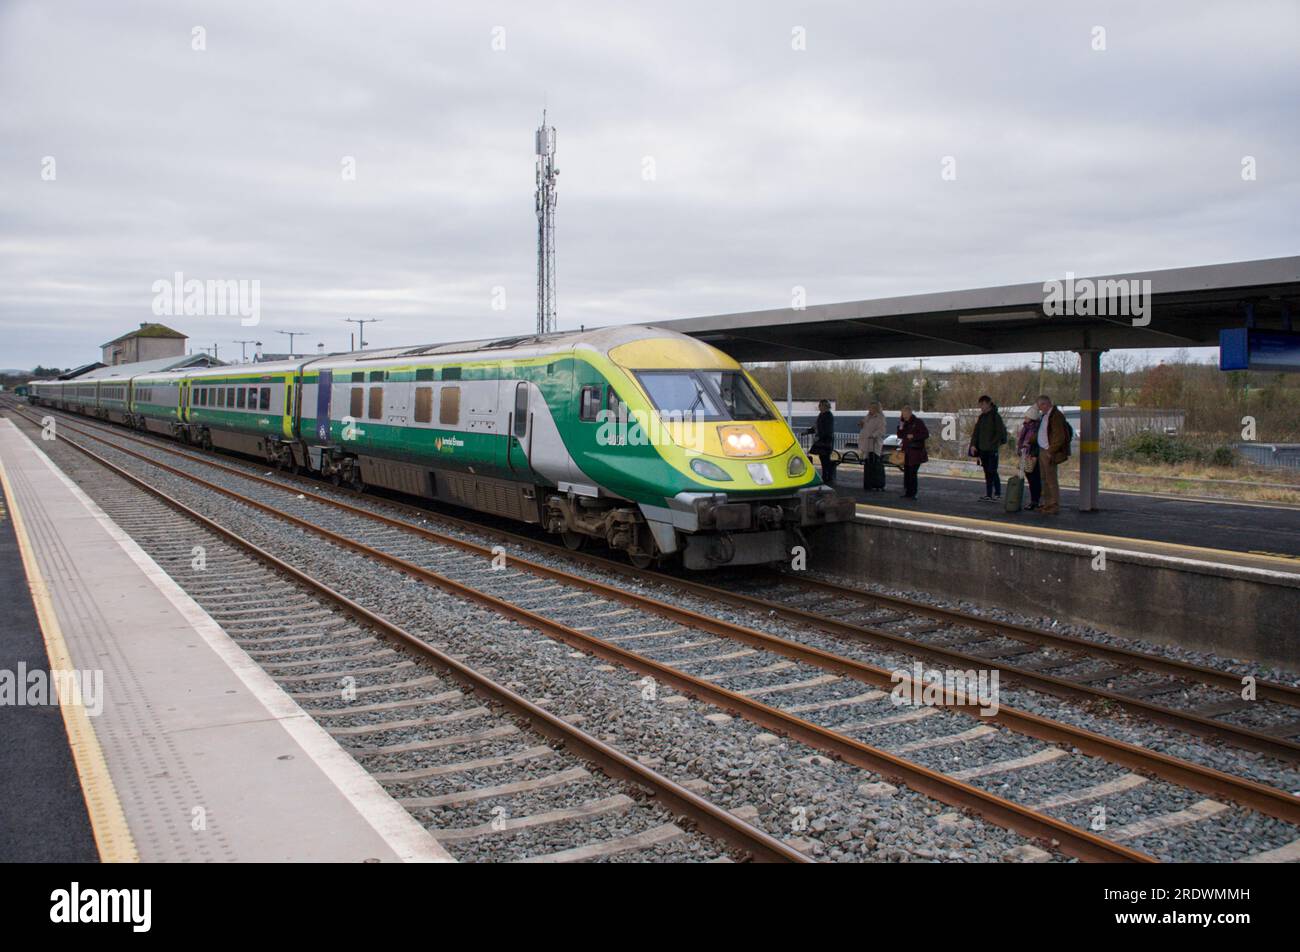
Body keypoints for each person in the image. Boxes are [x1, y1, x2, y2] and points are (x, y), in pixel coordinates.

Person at [1034, 394, 1071, 515]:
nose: (1040, 409)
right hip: (1043, 450)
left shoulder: (1056, 416)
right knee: (1044, 479)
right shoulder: (1045, 416)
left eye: (1040, 406)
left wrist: (1051, 451)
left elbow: (1059, 436)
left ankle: (1053, 505)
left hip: (1048, 452)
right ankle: (1047, 504)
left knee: (1051, 480)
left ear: (1045, 404)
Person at [968, 395, 1008, 501]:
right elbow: (976, 432)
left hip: (992, 450)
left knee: (992, 471)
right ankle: (989, 494)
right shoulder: (982, 417)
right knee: (987, 472)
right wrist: (973, 445)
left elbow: (1001, 433)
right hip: (982, 450)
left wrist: (993, 444)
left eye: (982, 405)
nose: (981, 407)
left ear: (987, 403)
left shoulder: (995, 417)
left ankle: (997, 493)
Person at [896, 404, 928, 499]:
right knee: (907, 472)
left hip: (916, 451)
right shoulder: (904, 423)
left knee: (912, 473)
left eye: (904, 413)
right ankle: (907, 492)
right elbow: (900, 435)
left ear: (909, 412)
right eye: (902, 414)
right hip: (906, 451)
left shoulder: (918, 422)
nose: (903, 415)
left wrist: (914, 437)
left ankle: (913, 493)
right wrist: (900, 426)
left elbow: (925, 434)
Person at [804, 399, 837, 485]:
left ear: (825, 406)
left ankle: (827, 477)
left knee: (825, 459)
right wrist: (808, 431)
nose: (819, 407)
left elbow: (827, 429)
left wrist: (818, 435)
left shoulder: (828, 416)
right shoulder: (822, 415)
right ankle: (826, 477)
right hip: (823, 440)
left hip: (825, 440)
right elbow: (816, 426)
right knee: (823, 459)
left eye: (820, 405)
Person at [1016, 407, 1042, 510]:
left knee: (1034, 479)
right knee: (1031, 478)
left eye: (1027, 416)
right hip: (1025, 454)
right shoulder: (1027, 427)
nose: (1025, 417)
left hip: (1032, 456)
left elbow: (1037, 443)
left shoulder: (1035, 429)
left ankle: (1035, 501)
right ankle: (1034, 500)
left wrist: (1034, 454)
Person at [859, 401, 887, 491]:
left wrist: (873, 435)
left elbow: (881, 430)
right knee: (867, 464)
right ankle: (867, 484)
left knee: (874, 464)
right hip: (866, 444)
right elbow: (864, 426)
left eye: (872, 407)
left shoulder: (880, 418)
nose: (870, 409)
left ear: (876, 408)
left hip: (874, 444)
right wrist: (861, 424)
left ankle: (875, 484)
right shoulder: (867, 417)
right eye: (870, 407)